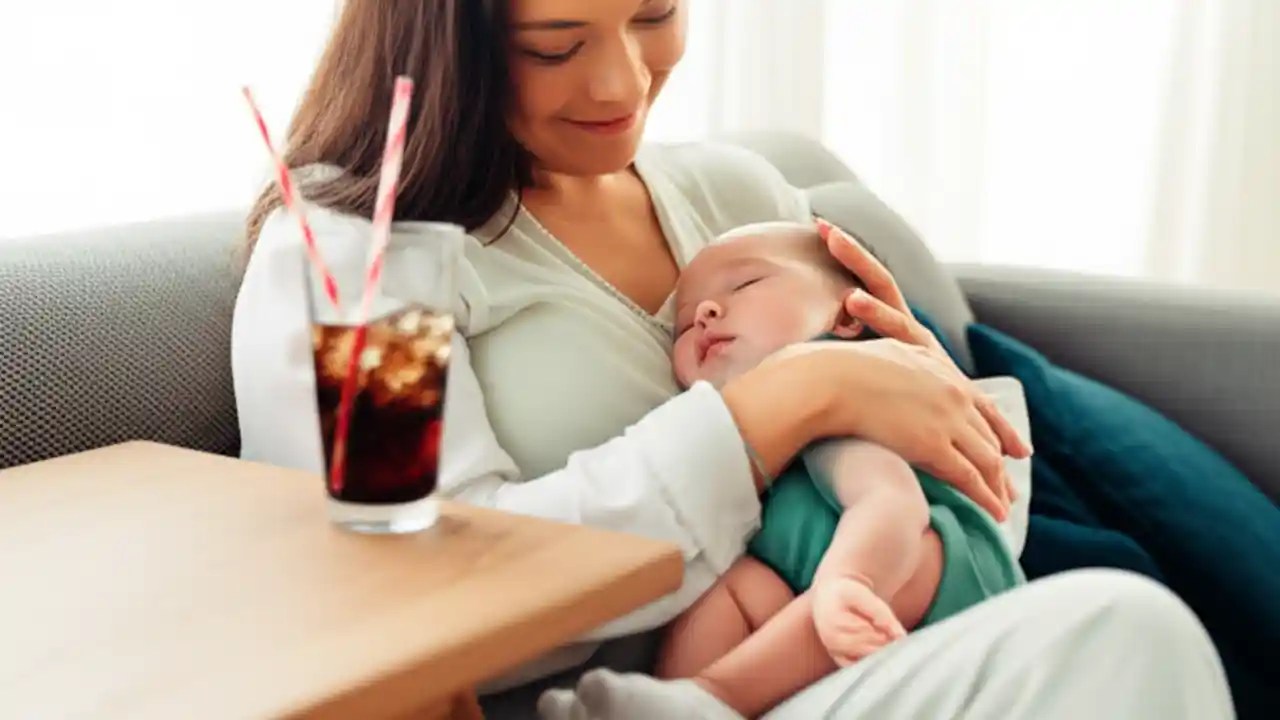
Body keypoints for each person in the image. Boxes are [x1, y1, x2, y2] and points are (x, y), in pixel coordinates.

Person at [231, 1, 1234, 718]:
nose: (622, 82)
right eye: (556, 43)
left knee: (1115, 633)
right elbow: (420, 588)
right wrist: (778, 407)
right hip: (593, 701)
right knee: (1120, 632)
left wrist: (923, 411)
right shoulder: (367, 258)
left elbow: (966, 511)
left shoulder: (730, 199)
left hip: (845, 662)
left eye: (653, 15)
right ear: (443, 38)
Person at [622, 221, 1025, 719]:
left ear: (849, 317)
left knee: (924, 551)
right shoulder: (745, 442)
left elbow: (892, 501)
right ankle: (669, 705)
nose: (705, 313)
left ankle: (716, 695)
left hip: (943, 605)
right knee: (727, 587)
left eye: (745, 285)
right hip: (831, 627)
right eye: (684, 326)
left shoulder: (859, 396)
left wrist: (849, 581)